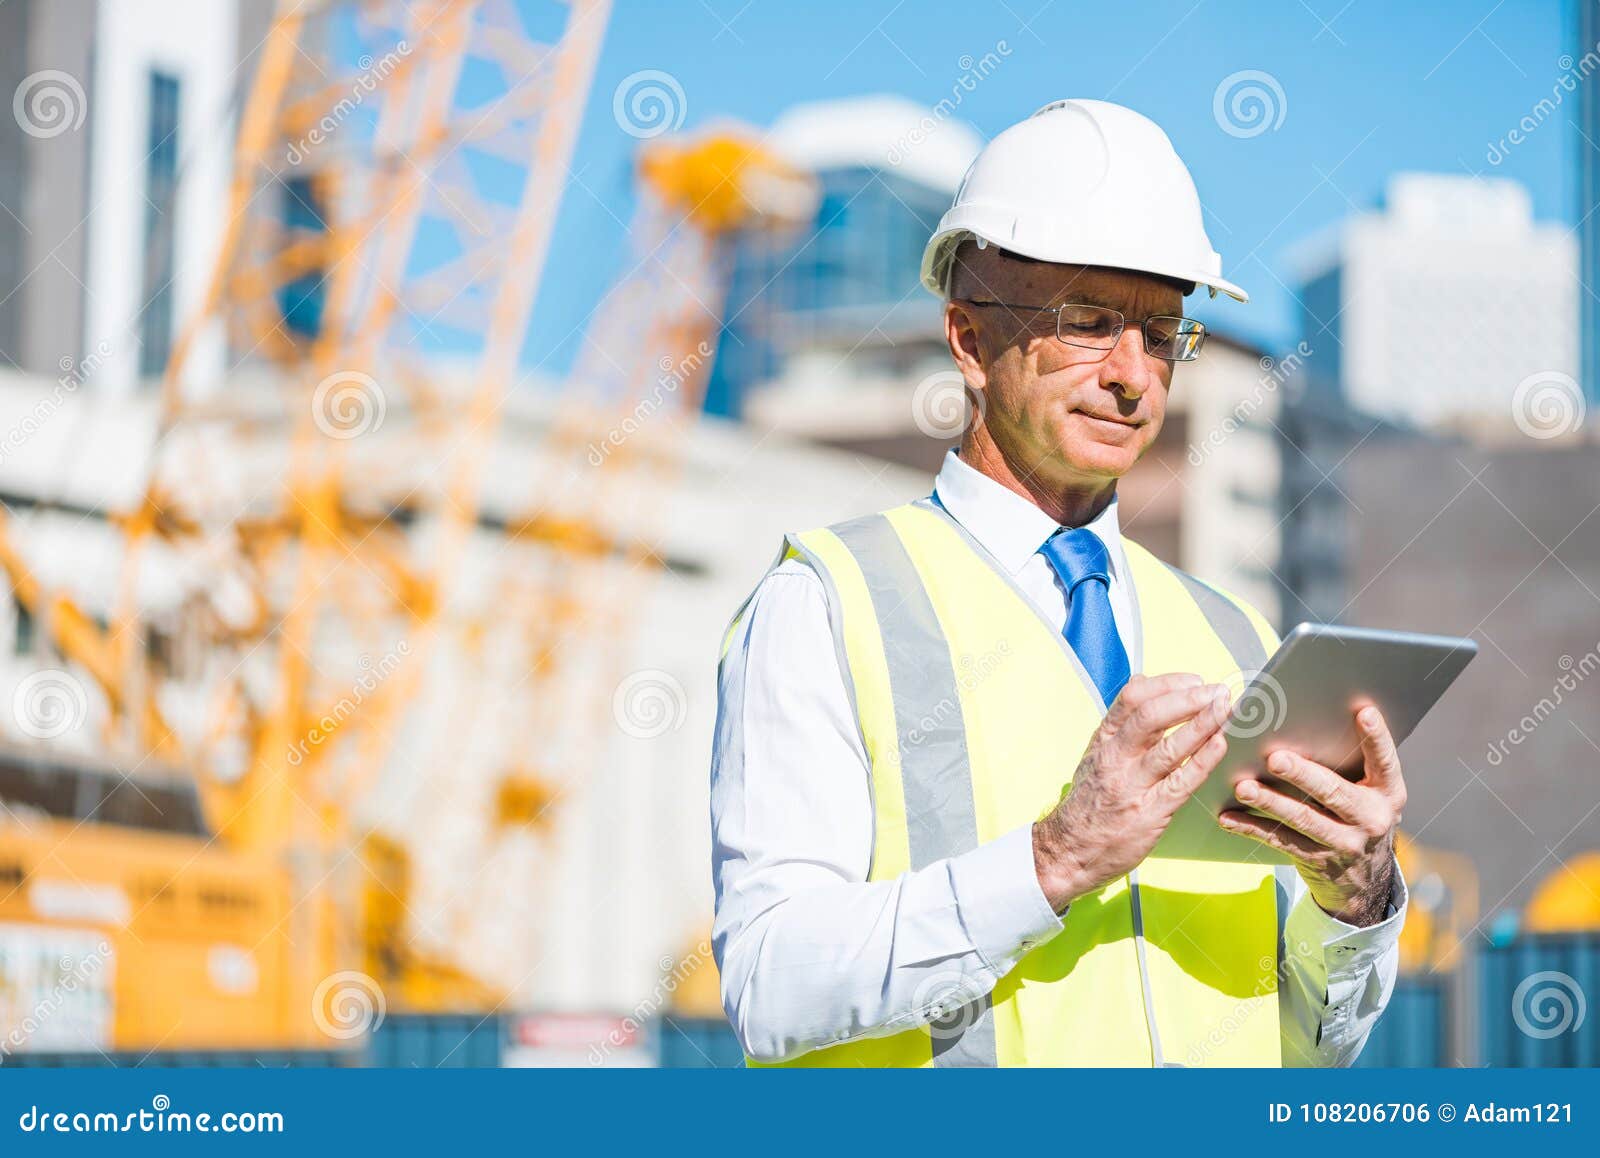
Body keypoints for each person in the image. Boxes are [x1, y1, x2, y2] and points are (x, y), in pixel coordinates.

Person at [709, 99, 1407, 1067]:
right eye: (1087, 323)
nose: (1132, 374)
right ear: (966, 339)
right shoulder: (828, 603)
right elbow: (769, 982)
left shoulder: (1235, 636)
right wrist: (1052, 863)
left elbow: (1307, 1043)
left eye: (1161, 333)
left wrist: (1356, 901)